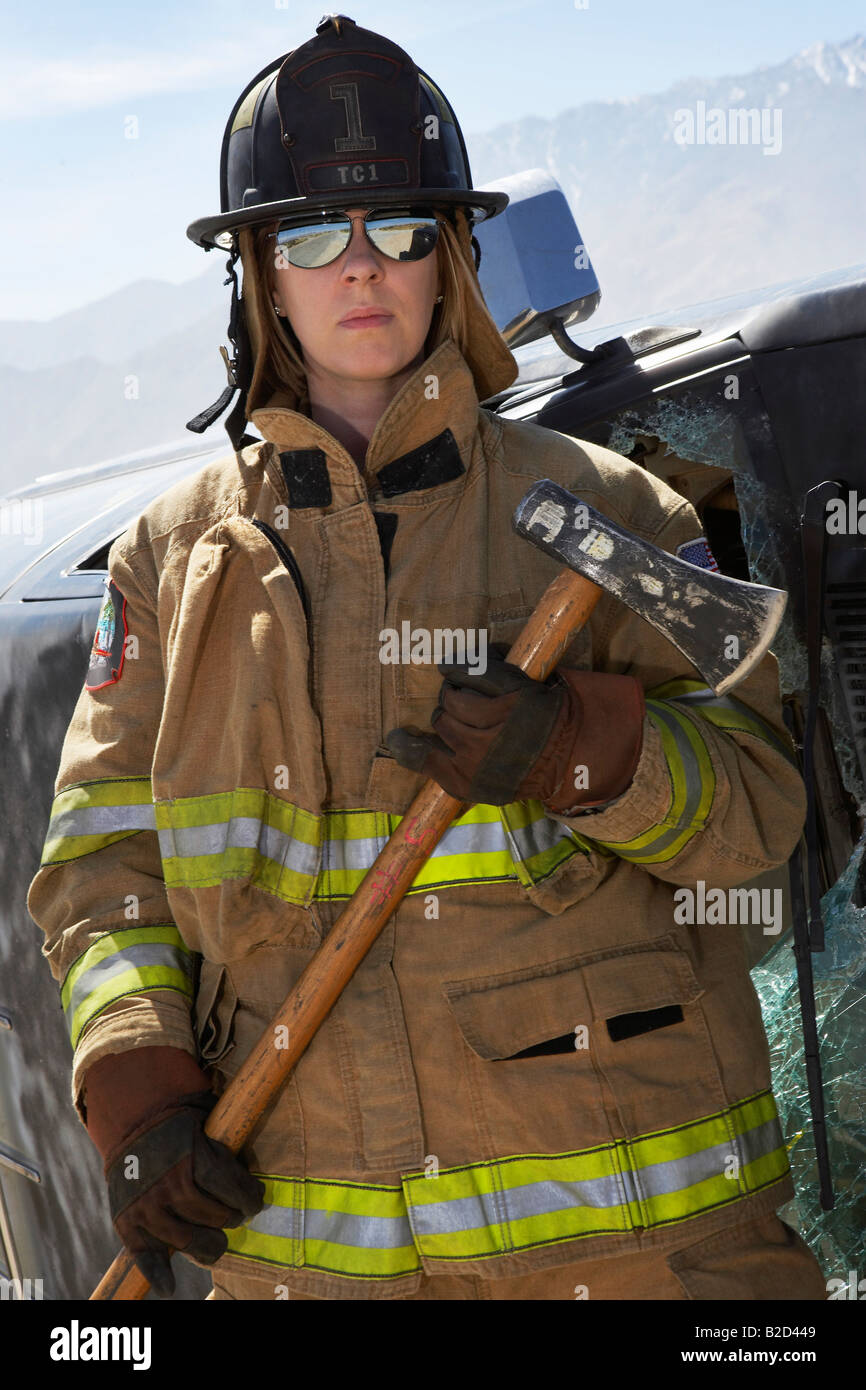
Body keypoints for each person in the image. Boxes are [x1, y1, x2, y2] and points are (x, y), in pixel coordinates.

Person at [27, 15, 827, 1302]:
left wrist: (580, 752)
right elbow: (98, 873)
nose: (360, 270)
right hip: (309, 1267)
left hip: (648, 1261)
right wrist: (138, 1096)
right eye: (308, 237)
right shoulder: (171, 562)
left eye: (398, 230)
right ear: (256, 274)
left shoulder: (615, 513)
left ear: (447, 255)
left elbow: (762, 823)